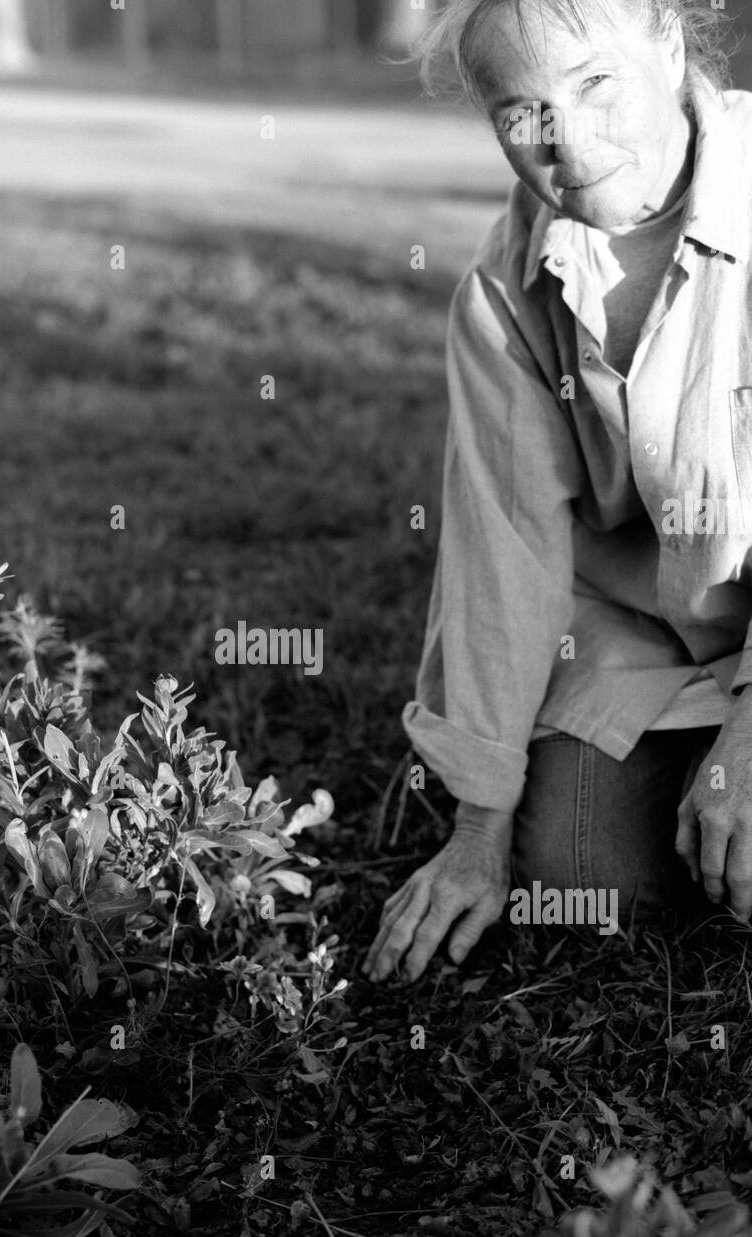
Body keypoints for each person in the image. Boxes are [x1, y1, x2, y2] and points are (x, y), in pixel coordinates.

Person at [364, 0, 752, 984]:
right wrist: (478, 828)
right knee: (578, 872)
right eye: (520, 112)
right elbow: (505, 554)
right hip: (646, 642)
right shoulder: (501, 297)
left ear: (667, 46)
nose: (565, 143)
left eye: (594, 85)